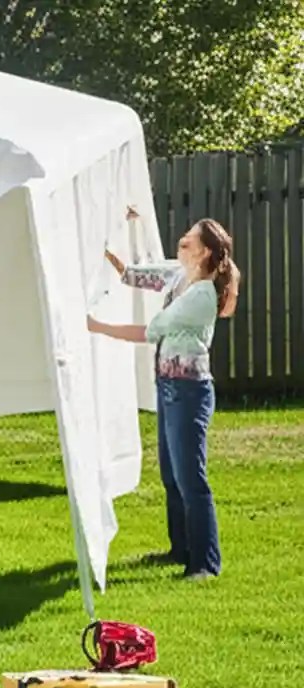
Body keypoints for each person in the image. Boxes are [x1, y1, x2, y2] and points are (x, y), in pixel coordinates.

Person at [87, 210, 240, 582]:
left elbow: (152, 330)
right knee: (172, 477)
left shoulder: (202, 296)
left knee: (192, 479)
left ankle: (204, 564)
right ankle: (180, 550)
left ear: (204, 253)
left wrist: (96, 327)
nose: (181, 240)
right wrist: (106, 245)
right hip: (169, 387)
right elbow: (136, 274)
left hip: (190, 393)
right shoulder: (179, 275)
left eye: (189, 238)